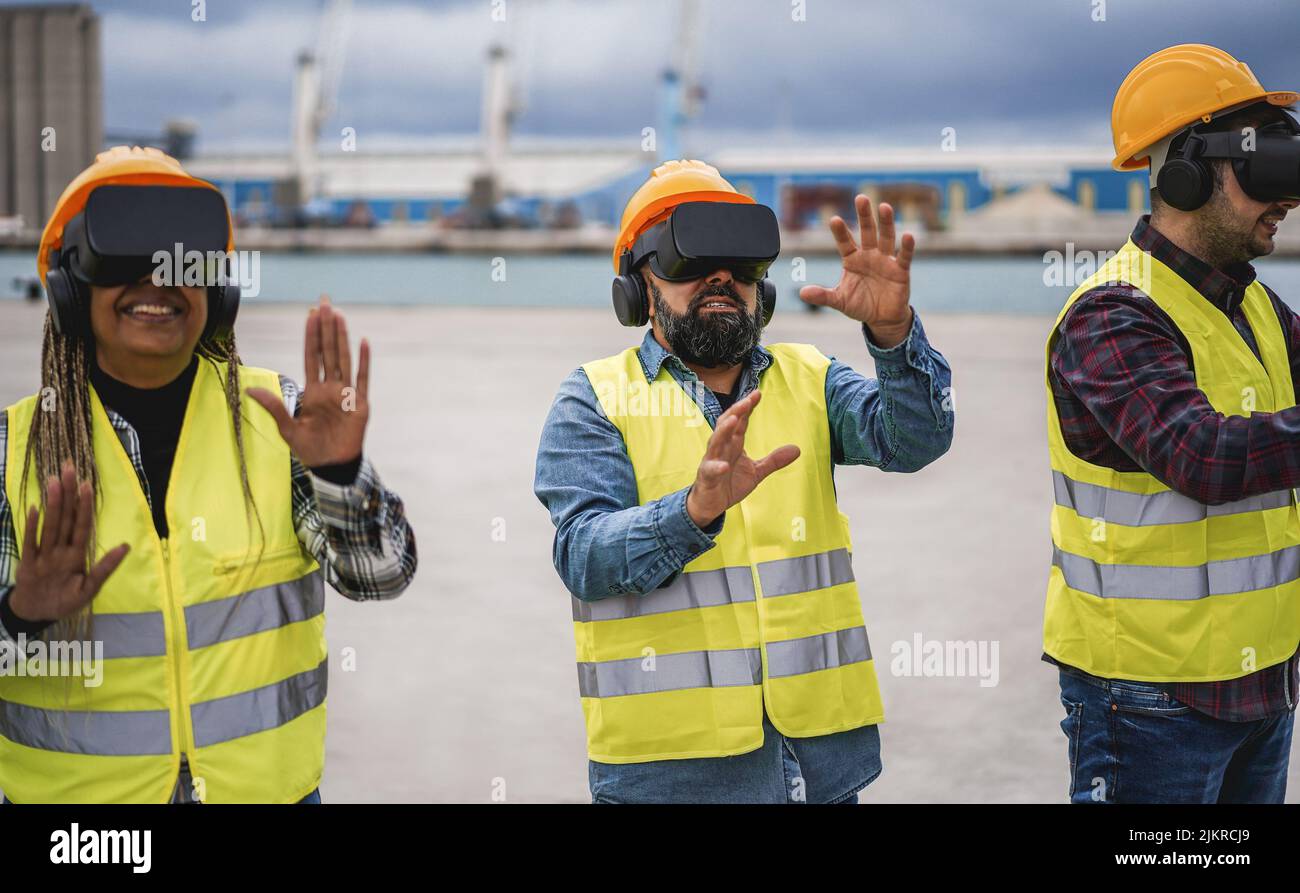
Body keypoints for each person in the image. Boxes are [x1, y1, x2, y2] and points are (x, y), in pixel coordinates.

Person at [0, 146, 418, 803]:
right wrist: (19, 619)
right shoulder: (13, 451)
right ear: (71, 288)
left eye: (180, 260)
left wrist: (341, 473)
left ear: (216, 290)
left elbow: (383, 573)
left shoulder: (276, 417)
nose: (157, 282)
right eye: (123, 259)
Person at [535, 160, 953, 803]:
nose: (721, 278)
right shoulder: (594, 397)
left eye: (740, 264)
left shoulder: (811, 376)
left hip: (821, 764)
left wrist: (892, 337)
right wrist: (692, 514)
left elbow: (915, 441)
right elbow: (582, 557)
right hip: (674, 777)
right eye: (690, 261)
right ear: (637, 290)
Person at [1044, 45, 1300, 803]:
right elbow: (1205, 457)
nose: (1285, 199)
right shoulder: (1112, 313)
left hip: (1261, 680)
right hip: (1153, 699)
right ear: (1184, 171)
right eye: (1265, 171)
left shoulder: (1252, 303)